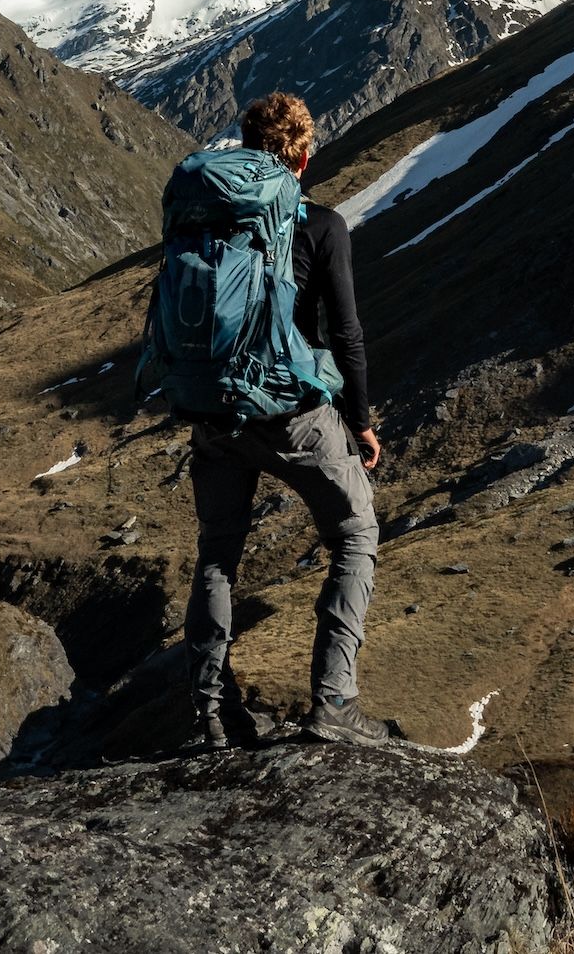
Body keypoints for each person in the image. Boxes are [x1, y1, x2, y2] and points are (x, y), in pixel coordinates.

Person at [179, 91, 389, 749]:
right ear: (302, 156)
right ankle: (334, 704)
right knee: (354, 534)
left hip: (213, 411)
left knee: (217, 556)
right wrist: (358, 420)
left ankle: (210, 714)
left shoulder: (204, 219)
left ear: (245, 151)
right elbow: (345, 332)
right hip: (293, 415)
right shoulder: (320, 225)